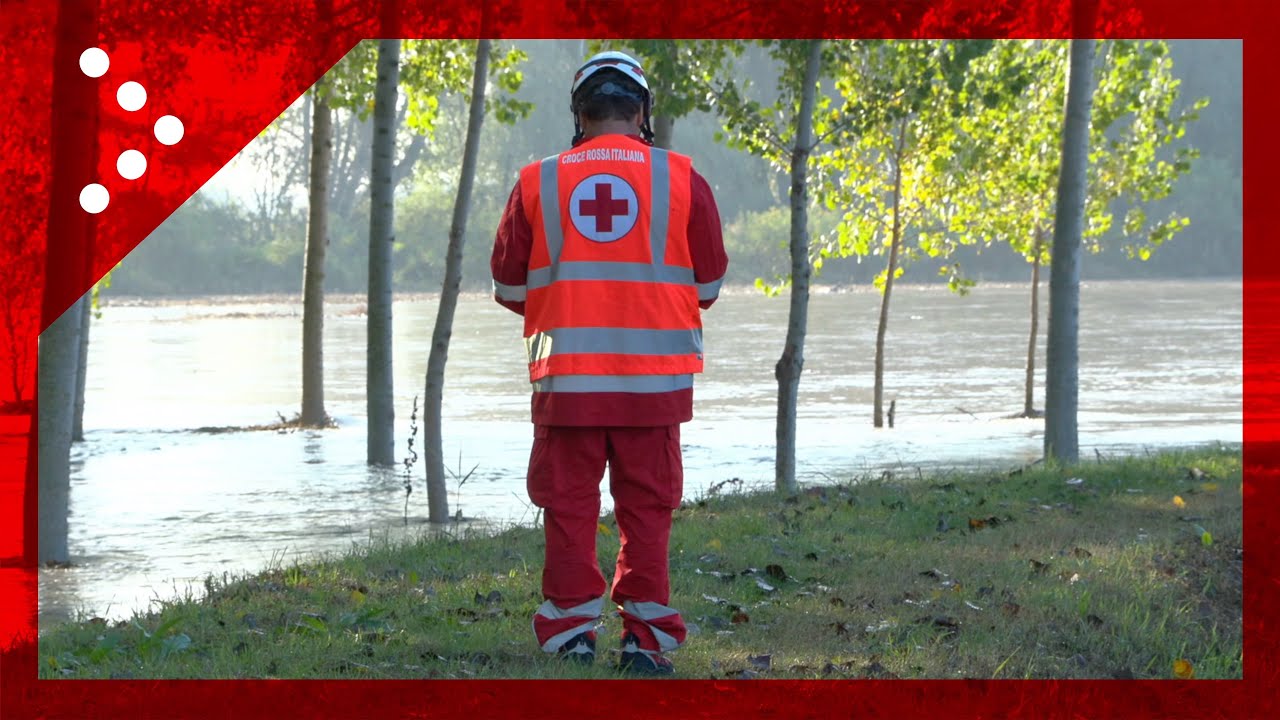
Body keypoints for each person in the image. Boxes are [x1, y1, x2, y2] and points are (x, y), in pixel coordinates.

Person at [490, 50, 728, 676]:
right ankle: (646, 642)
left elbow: (510, 288)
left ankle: (570, 633)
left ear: (579, 112)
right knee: (646, 507)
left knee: (568, 505)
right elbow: (707, 284)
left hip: (567, 382)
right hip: (653, 385)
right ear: (643, 111)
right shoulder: (682, 179)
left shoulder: (537, 181)